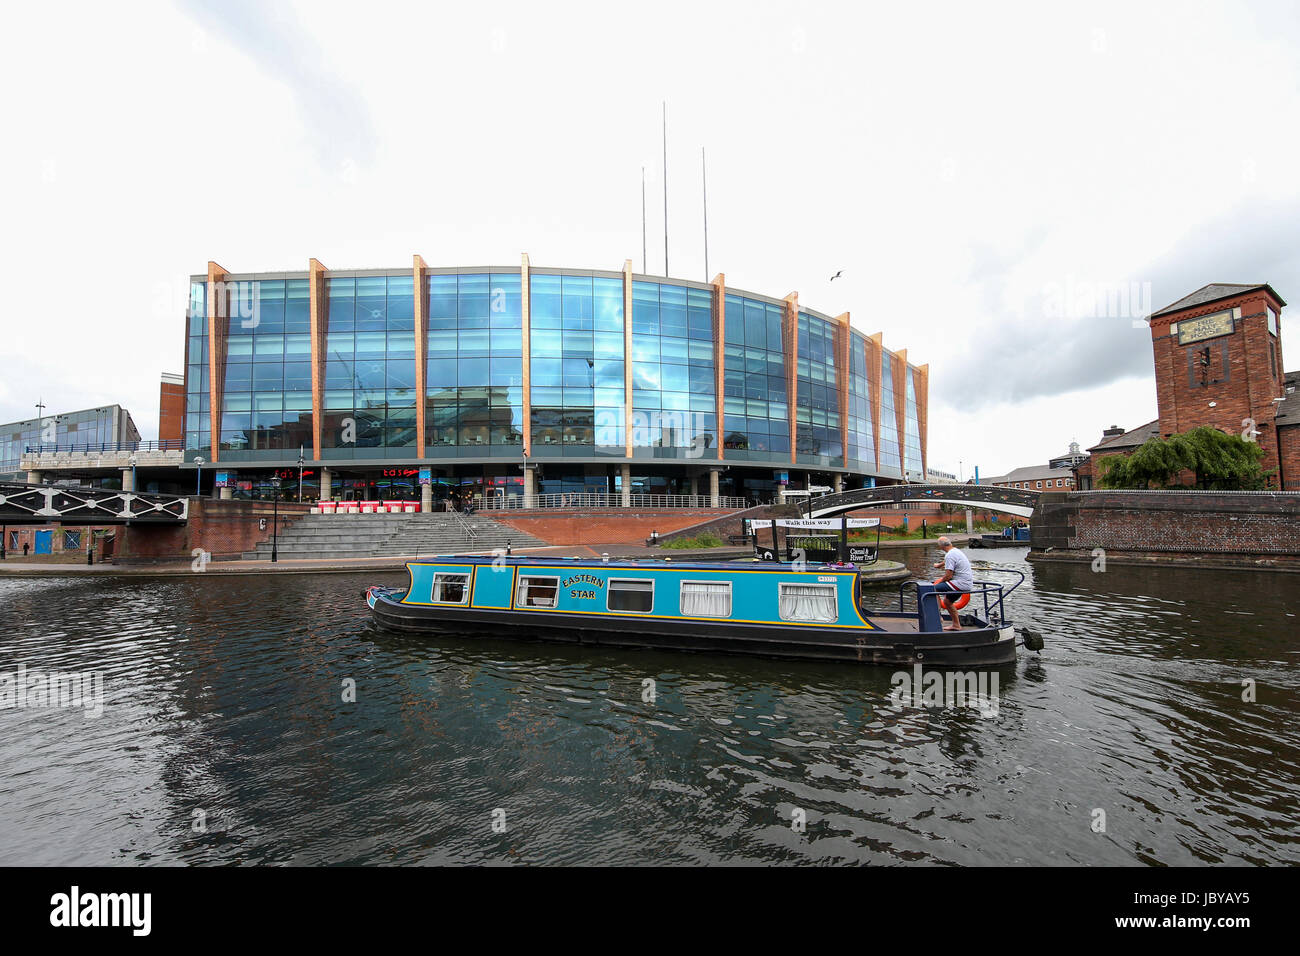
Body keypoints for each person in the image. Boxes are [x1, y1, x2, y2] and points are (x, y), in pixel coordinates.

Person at [931, 536, 974, 631]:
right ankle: (956, 625)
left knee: (933, 589)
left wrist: (939, 582)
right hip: (966, 582)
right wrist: (939, 565)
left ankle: (938, 616)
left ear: (941, 547)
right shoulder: (955, 551)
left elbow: (948, 576)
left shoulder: (950, 555)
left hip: (960, 583)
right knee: (947, 602)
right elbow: (948, 561)